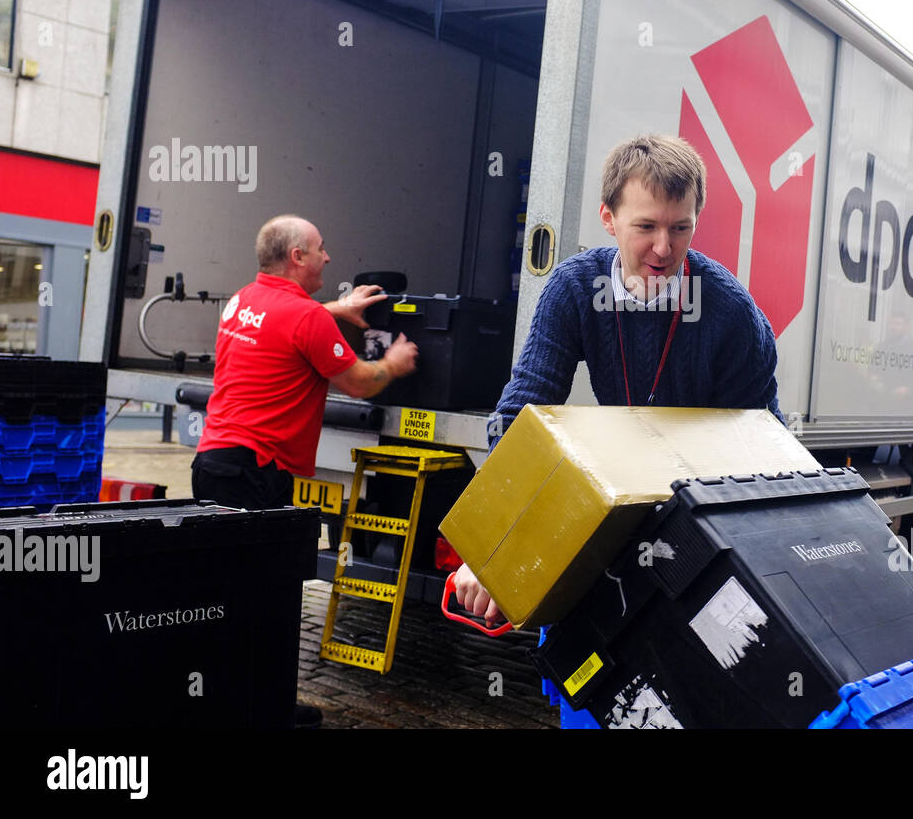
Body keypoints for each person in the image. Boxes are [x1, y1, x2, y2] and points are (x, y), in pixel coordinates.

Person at [453, 134, 782, 625]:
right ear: (608, 218)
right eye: (645, 226)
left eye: (681, 228)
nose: (663, 248)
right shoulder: (573, 289)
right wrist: (494, 548)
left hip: (706, 502)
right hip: (622, 499)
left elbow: (757, 448)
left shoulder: (730, 310)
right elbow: (521, 416)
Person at [192, 215, 419, 510]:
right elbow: (358, 383)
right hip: (254, 472)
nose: (327, 257)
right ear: (297, 256)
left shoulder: (243, 299)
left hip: (212, 463)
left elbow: (281, 324)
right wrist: (393, 363)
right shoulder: (308, 317)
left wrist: (336, 308)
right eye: (320, 249)